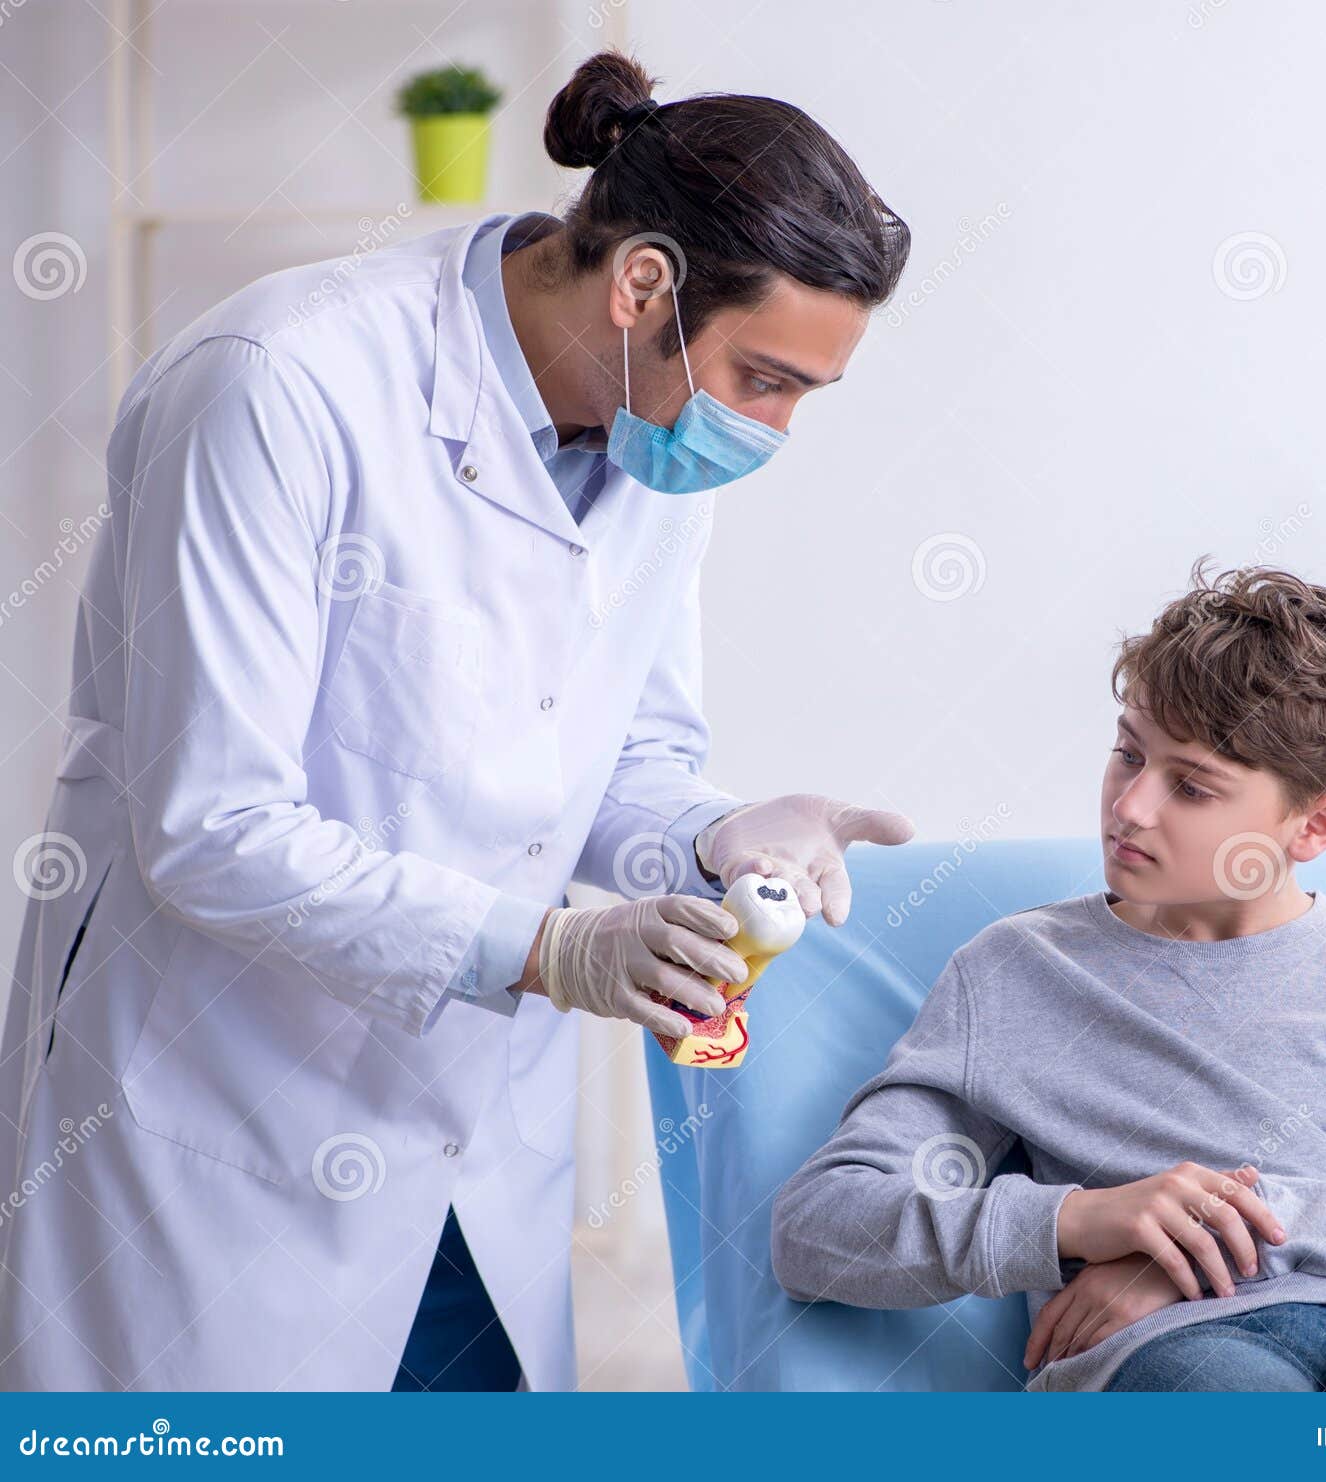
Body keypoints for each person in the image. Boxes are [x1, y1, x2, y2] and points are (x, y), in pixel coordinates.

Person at [0, 50, 913, 1391]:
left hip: (477, 1157)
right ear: (643, 286)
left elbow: (618, 761)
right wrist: (549, 950)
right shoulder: (279, 383)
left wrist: (718, 835)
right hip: (224, 1128)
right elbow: (213, 825)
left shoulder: (658, 443)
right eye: (764, 377)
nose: (768, 428)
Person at [770, 562, 1326, 1392]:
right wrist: (1079, 1221)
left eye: (1190, 786)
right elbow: (819, 1231)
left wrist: (1201, 1244)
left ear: (1315, 825)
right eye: (1127, 755)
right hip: (1182, 1353)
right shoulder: (1016, 972)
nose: (1130, 807)